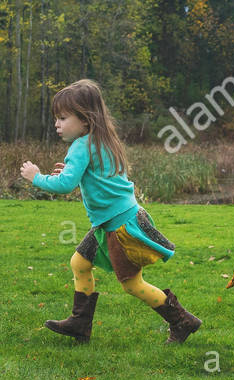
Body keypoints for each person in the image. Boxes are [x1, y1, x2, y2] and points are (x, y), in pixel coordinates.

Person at [18, 79, 201, 345]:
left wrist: (36, 177)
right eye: (56, 118)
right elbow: (94, 178)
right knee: (79, 263)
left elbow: (65, 185)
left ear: (84, 119)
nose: (56, 124)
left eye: (62, 118)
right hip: (114, 221)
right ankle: (80, 323)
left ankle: (182, 320)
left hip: (119, 227)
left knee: (132, 284)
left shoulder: (81, 146)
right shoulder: (104, 140)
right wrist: (71, 173)